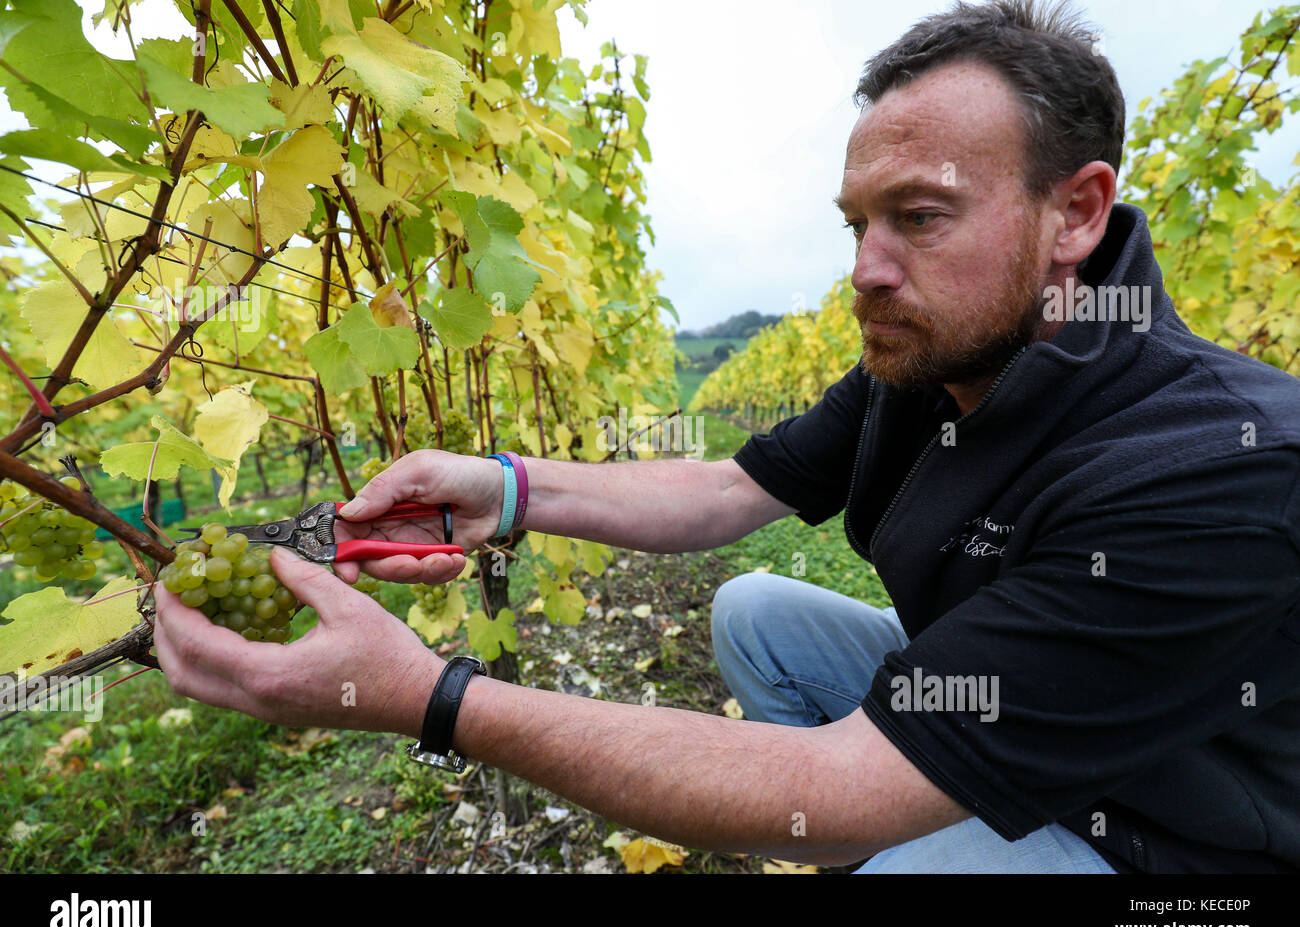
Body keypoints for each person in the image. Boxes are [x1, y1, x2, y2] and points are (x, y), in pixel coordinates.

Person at [153, 0, 1300, 873]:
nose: (865, 271)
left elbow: (845, 783)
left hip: (1174, 854)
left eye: (921, 216)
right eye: (857, 223)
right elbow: (723, 491)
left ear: (1078, 213)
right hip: (1029, 732)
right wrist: (502, 490)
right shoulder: (941, 363)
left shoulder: (1211, 470)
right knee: (757, 611)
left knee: (884, 835)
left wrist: (428, 697)